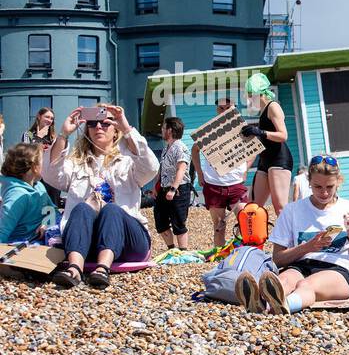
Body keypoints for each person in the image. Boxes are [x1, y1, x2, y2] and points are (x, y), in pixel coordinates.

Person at [43, 104, 159, 288]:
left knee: (112, 209)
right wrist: (64, 134)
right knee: (81, 208)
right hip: (87, 243)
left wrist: (126, 128)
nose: (98, 127)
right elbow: (50, 173)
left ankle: (102, 269)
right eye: (92, 123)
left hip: (129, 243)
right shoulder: (76, 164)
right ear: (87, 130)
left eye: (105, 123)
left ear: (115, 131)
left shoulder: (129, 162)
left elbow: (151, 167)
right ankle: (74, 269)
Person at [244, 155, 349, 313]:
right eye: (318, 187)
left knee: (305, 285)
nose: (324, 193)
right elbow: (277, 259)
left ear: (338, 181)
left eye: (330, 187)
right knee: (283, 281)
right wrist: (307, 248)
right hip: (301, 265)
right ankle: (262, 304)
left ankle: (283, 306)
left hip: (339, 269)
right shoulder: (293, 210)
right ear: (308, 181)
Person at [192, 99, 250, 247]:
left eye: (228, 107)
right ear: (217, 110)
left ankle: (247, 253)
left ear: (235, 109)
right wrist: (199, 173)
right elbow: (195, 150)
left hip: (236, 184)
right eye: (221, 108)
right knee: (219, 226)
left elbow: (253, 150)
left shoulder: (244, 129)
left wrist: (246, 169)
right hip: (214, 185)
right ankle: (220, 259)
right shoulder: (210, 130)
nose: (224, 111)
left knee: (247, 221)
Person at [239, 72, 293, 216]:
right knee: (253, 206)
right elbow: (259, 144)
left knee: (280, 207)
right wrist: (245, 168)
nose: (249, 99)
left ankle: (289, 237)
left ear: (259, 93)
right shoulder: (263, 111)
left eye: (251, 95)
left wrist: (260, 132)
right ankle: (254, 237)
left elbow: (283, 135)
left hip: (279, 159)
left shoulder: (273, 107)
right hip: (265, 159)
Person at [0, 143, 57, 244]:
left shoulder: (39, 186)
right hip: (18, 245)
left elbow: (52, 210)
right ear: (35, 167)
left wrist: (46, 224)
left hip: (39, 238)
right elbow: (2, 231)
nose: (46, 163)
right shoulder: (17, 196)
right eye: (43, 159)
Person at [154, 117, 192, 251]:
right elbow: (162, 168)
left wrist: (173, 189)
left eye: (164, 128)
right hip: (164, 187)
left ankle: (183, 251)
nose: (162, 131)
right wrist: (156, 187)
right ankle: (171, 249)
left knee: (178, 221)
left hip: (179, 188)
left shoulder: (180, 147)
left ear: (170, 130)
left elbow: (181, 169)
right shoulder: (166, 148)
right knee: (160, 221)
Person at [22, 106, 61, 207]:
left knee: (51, 207)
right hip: (35, 177)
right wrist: (39, 138)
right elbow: (26, 155)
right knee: (37, 206)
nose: (49, 120)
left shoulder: (53, 137)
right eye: (47, 117)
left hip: (51, 176)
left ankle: (50, 223)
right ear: (39, 117)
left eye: (52, 118)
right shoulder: (29, 134)